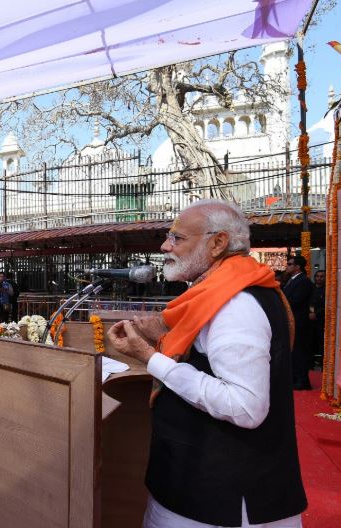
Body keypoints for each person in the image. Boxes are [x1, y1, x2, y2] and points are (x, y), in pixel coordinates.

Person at [107, 199, 306, 528]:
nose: (165, 246)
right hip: (202, 488)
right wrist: (163, 336)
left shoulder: (236, 304)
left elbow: (245, 406)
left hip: (220, 498)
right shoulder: (222, 291)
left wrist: (150, 358)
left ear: (218, 243)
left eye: (177, 238)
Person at [283, 255, 314, 390]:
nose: (287, 266)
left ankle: (302, 380)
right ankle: (295, 378)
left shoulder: (304, 281)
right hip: (292, 321)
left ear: (297, 267)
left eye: (290, 264)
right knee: (293, 351)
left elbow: (295, 301)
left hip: (299, 322)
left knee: (299, 351)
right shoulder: (292, 280)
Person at [309, 270, 325, 368]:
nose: (319, 278)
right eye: (317, 276)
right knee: (310, 342)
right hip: (310, 320)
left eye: (321, 276)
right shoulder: (311, 289)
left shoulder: (326, 290)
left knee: (322, 342)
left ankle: (322, 363)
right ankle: (310, 363)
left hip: (321, 320)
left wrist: (317, 313)